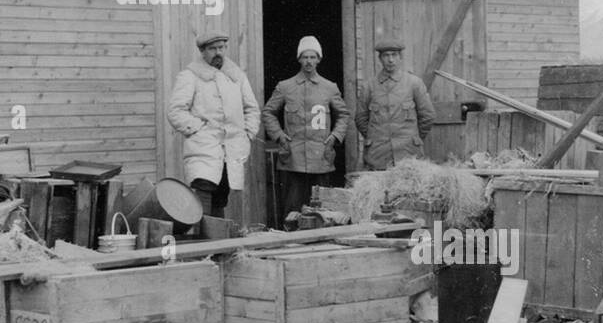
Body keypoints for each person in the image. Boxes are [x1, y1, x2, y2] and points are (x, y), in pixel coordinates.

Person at [166, 31, 260, 218]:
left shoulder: (237, 76)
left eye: (221, 48)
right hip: (204, 147)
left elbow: (252, 108)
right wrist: (198, 129)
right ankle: (204, 243)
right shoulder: (190, 76)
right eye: (212, 49)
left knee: (221, 195)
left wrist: (248, 133)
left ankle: (218, 241)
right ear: (203, 51)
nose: (218, 52)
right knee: (203, 192)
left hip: (231, 148)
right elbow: (175, 111)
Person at [262, 36, 349, 218]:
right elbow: (268, 112)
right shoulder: (285, 87)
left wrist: (334, 137)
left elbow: (343, 115)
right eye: (305, 57)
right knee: (292, 210)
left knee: (322, 210)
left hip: (321, 159)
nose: (309, 61)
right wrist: (279, 135)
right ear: (299, 59)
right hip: (293, 157)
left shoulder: (329, 87)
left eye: (313, 57)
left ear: (319, 59)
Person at [355, 36, 436, 170]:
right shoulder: (369, 86)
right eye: (386, 55)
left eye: (394, 55)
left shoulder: (414, 83)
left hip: (408, 154)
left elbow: (428, 116)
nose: (390, 60)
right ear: (380, 58)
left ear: (400, 57)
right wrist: (377, 137)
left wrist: (413, 137)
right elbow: (360, 119)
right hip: (378, 155)